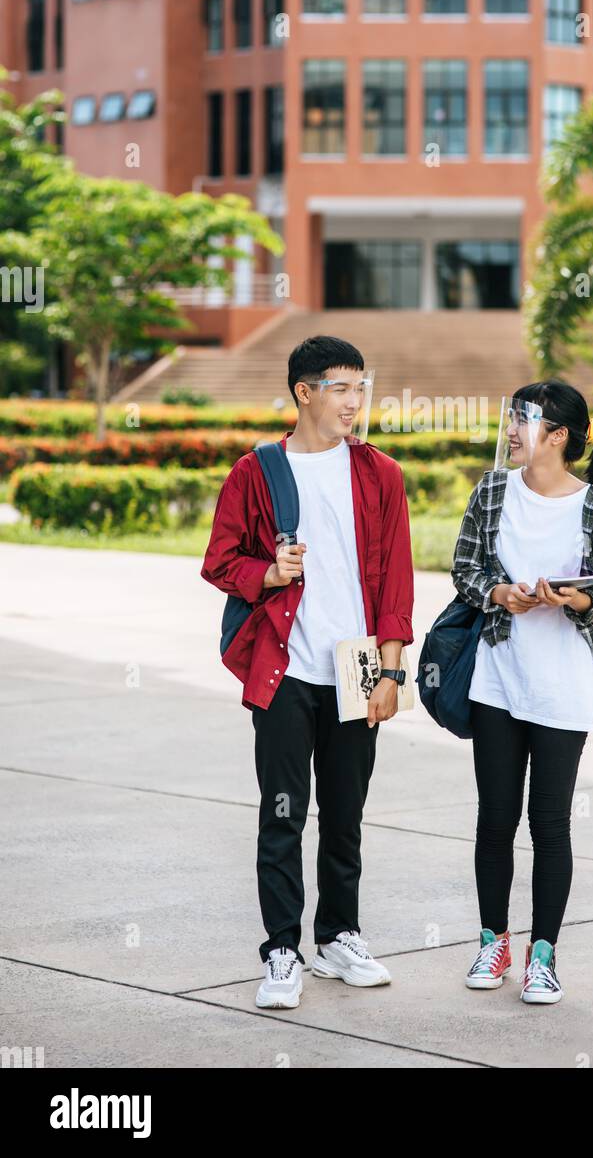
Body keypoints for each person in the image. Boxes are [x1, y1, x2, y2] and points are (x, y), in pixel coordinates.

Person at [201, 336, 414, 1009]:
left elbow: (397, 585)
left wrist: (390, 672)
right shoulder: (257, 471)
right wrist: (265, 573)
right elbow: (219, 560)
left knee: (345, 814)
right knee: (283, 815)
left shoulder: (380, 474)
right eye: (342, 387)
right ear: (304, 392)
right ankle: (282, 951)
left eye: (361, 387)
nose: (355, 401)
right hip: (285, 666)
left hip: (353, 663)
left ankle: (338, 937)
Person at [451, 380, 593, 1005]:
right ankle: (491, 940)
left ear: (557, 436)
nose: (512, 430)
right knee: (495, 819)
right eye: (511, 418)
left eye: (524, 420)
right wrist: (502, 594)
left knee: (549, 824)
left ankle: (543, 955)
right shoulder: (493, 490)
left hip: (564, 687)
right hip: (498, 675)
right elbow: (465, 568)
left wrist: (572, 598)